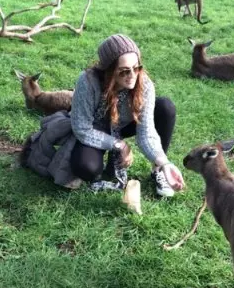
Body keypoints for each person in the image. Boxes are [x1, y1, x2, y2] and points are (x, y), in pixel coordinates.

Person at [69, 34, 185, 197]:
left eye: (136, 68)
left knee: (165, 107)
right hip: (97, 125)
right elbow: (81, 128)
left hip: (125, 124)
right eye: (124, 71)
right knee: (86, 168)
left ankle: (158, 171)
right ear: (109, 70)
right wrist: (119, 145)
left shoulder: (144, 84)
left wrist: (164, 163)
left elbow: (146, 132)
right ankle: (111, 158)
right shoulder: (88, 82)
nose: (132, 75)